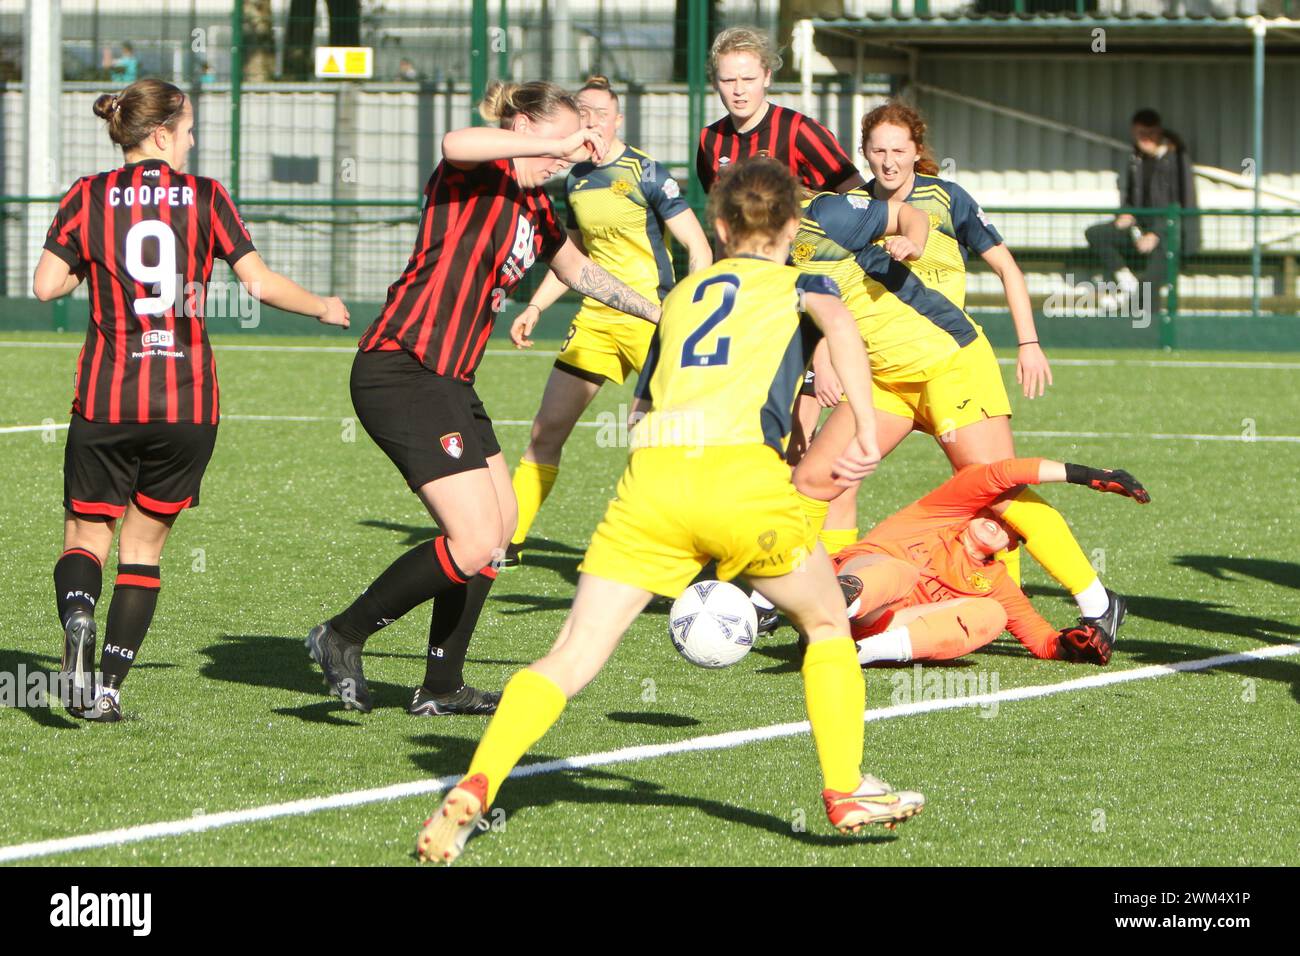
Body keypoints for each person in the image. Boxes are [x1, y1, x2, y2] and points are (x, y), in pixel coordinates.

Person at [415, 158, 923, 865]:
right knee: (824, 620)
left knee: (571, 654)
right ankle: (845, 788)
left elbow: (643, 408)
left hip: (652, 481)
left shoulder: (683, 293)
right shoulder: (801, 279)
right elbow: (838, 321)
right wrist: (865, 426)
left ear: (718, 225)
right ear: (791, 226)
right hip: (742, 476)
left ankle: (479, 780)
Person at [306, 81, 660, 718]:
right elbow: (454, 139)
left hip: (450, 380)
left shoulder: (536, 207)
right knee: (469, 542)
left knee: (498, 534)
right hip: (403, 366)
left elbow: (580, 272)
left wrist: (658, 312)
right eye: (555, 142)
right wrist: (557, 141)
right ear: (524, 125)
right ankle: (342, 634)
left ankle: (440, 685)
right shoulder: (478, 168)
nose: (563, 160)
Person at [35, 78, 349, 721]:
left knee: (85, 534)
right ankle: (110, 690)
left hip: (106, 398)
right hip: (187, 403)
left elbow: (45, 287)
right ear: (160, 135)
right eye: (188, 130)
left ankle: (77, 620)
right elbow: (257, 284)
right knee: (143, 551)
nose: (193, 140)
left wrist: (88, 262)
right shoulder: (205, 197)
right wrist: (323, 306)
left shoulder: (87, 195)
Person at [789, 101, 1127, 649]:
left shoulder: (944, 199)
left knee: (995, 491)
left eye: (900, 150)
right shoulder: (851, 211)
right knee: (827, 475)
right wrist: (823, 358)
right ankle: (816, 597)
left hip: (950, 362)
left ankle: (1090, 602)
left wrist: (1029, 342)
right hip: (887, 371)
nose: (889, 161)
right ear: (863, 153)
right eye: (878, 150)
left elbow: (1007, 268)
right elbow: (831, 297)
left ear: (917, 150)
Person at [504, 75, 712, 568]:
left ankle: (686, 547)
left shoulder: (647, 173)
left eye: (601, 112)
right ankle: (507, 541)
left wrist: (686, 315)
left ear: (618, 118)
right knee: (545, 429)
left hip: (653, 320)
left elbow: (698, 249)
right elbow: (573, 256)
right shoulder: (574, 178)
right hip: (597, 318)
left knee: (652, 438)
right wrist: (536, 306)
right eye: (584, 112)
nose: (592, 120)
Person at [828, 459, 1150, 667]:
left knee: (993, 615)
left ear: (1012, 545)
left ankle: (858, 653)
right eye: (995, 513)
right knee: (900, 572)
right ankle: (830, 607)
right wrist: (1087, 475)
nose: (1000, 523)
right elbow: (999, 473)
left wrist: (1070, 644)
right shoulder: (941, 511)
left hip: (879, 627)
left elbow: (1041, 640)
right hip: (861, 578)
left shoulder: (993, 580)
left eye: (1013, 530)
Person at [1084, 108, 1199, 304]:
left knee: (1148, 291)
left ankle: (1148, 326)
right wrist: (1126, 213)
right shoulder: (1134, 160)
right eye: (1140, 134)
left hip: (1169, 236)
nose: (1145, 139)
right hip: (1139, 230)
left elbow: (1183, 203)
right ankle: (1126, 281)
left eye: (1150, 133)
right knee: (1096, 233)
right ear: (1133, 133)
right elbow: (1130, 196)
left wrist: (1157, 233)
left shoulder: (1177, 159)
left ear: (1159, 132)